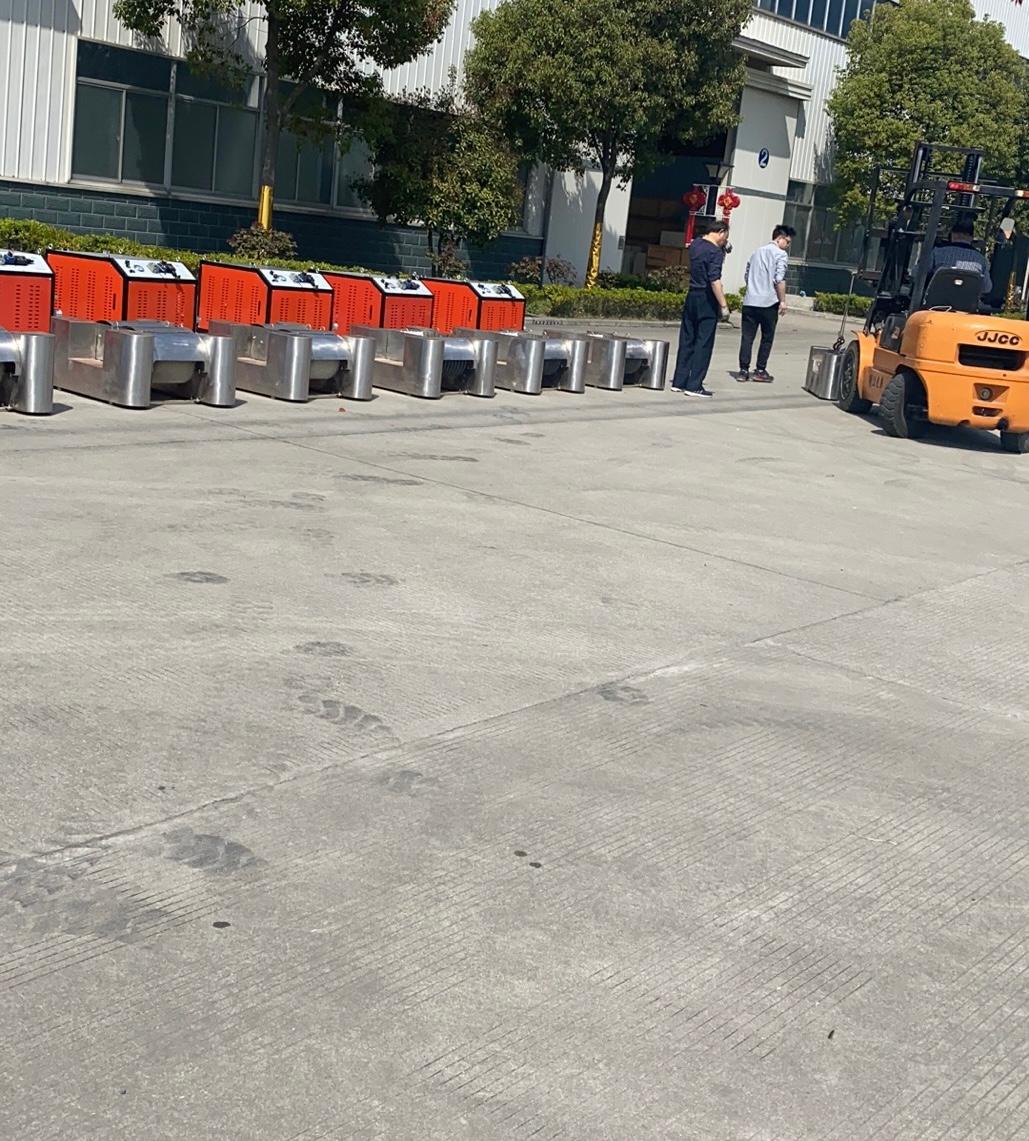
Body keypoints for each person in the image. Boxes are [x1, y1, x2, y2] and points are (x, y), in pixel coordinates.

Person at [671, 219, 731, 398]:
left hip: (692, 295)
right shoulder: (715, 252)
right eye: (725, 237)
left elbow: (705, 246)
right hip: (706, 299)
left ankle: (679, 381)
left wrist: (723, 247)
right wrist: (724, 305)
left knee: (687, 339)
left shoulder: (696, 245)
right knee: (703, 343)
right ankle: (694, 385)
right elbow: (714, 280)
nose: (725, 241)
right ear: (721, 232)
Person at [737, 224, 795, 383]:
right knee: (767, 338)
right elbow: (779, 279)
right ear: (780, 238)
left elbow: (747, 275)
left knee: (747, 337)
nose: (788, 246)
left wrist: (753, 287)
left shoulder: (756, 252)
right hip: (769, 302)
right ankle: (760, 370)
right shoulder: (781, 255)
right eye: (788, 242)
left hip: (750, 301)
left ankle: (743, 370)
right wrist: (782, 301)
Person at [927, 220, 992, 296]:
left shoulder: (937, 252)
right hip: (967, 302)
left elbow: (919, 274)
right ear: (971, 237)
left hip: (937, 300)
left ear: (952, 234)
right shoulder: (981, 259)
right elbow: (987, 288)